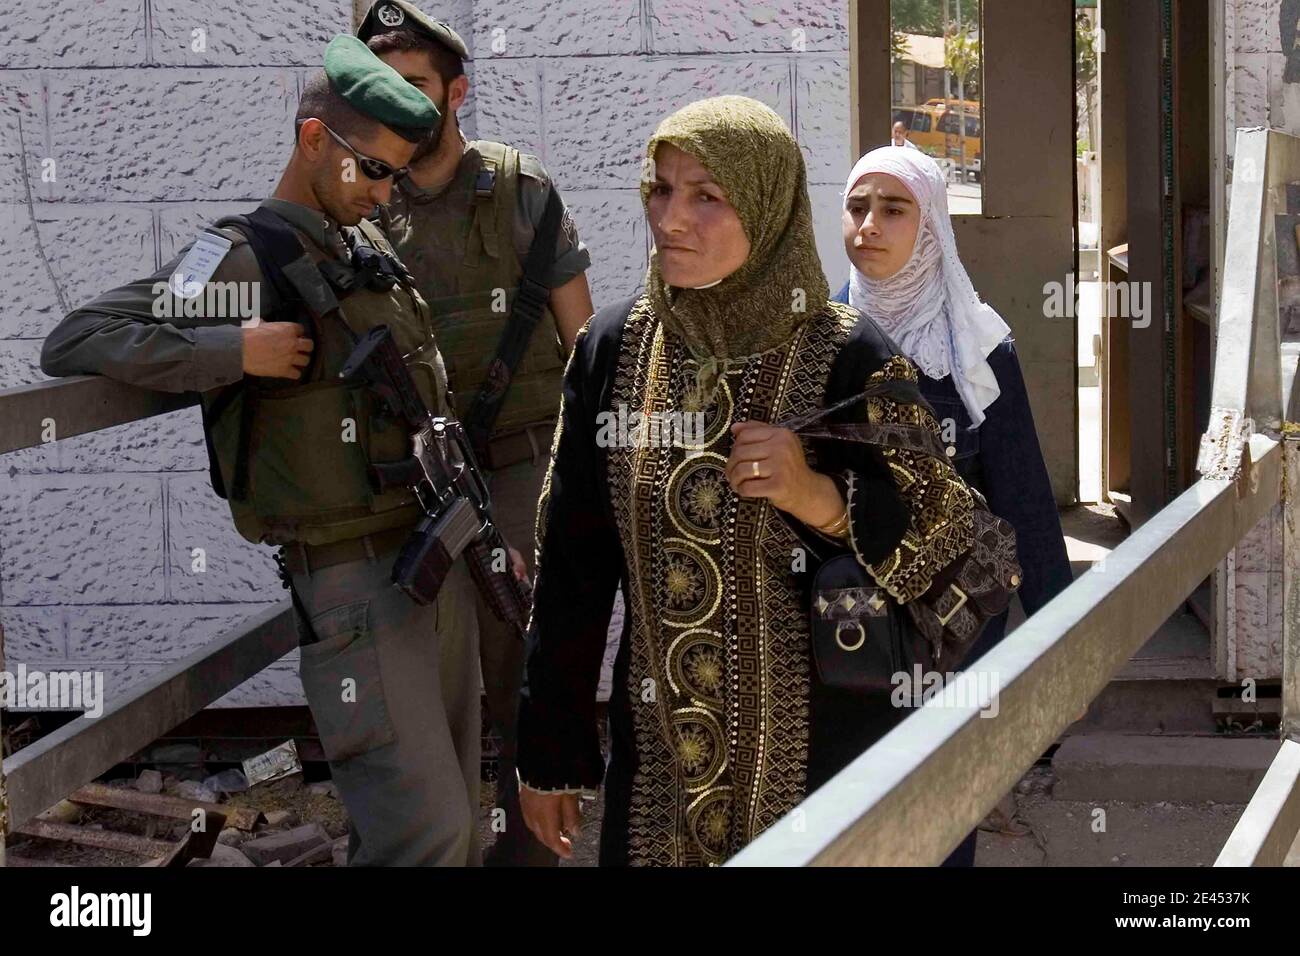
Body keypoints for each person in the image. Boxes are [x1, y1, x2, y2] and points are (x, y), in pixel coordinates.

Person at [39, 36, 490, 867]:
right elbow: (78, 337)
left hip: (434, 559)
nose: (386, 190)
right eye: (373, 168)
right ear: (314, 140)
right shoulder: (246, 258)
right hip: (356, 584)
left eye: (397, 173)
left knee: (459, 809)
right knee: (427, 836)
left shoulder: (365, 251)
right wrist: (230, 351)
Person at [514, 95, 977, 866]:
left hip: (825, 765)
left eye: (706, 196)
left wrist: (821, 500)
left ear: (767, 205)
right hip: (662, 766)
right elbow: (572, 565)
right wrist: (550, 749)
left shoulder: (849, 355)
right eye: (660, 189)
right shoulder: (613, 350)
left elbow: (962, 551)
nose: (670, 218)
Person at [358, 0, 595, 867]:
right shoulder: (362, 205)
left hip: (520, 469)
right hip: (410, 487)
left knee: (522, 678)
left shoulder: (520, 192)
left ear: (457, 92)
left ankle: (529, 853)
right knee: (425, 689)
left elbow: (585, 348)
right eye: (379, 88)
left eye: (414, 86)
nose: (397, 105)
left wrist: (574, 497)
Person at [835, 144, 1074, 865]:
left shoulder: (976, 346)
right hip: (848, 622)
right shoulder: (821, 337)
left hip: (958, 624)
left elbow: (1023, 498)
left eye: (894, 209)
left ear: (932, 226)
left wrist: (1065, 645)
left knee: (943, 812)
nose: (868, 225)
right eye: (857, 208)